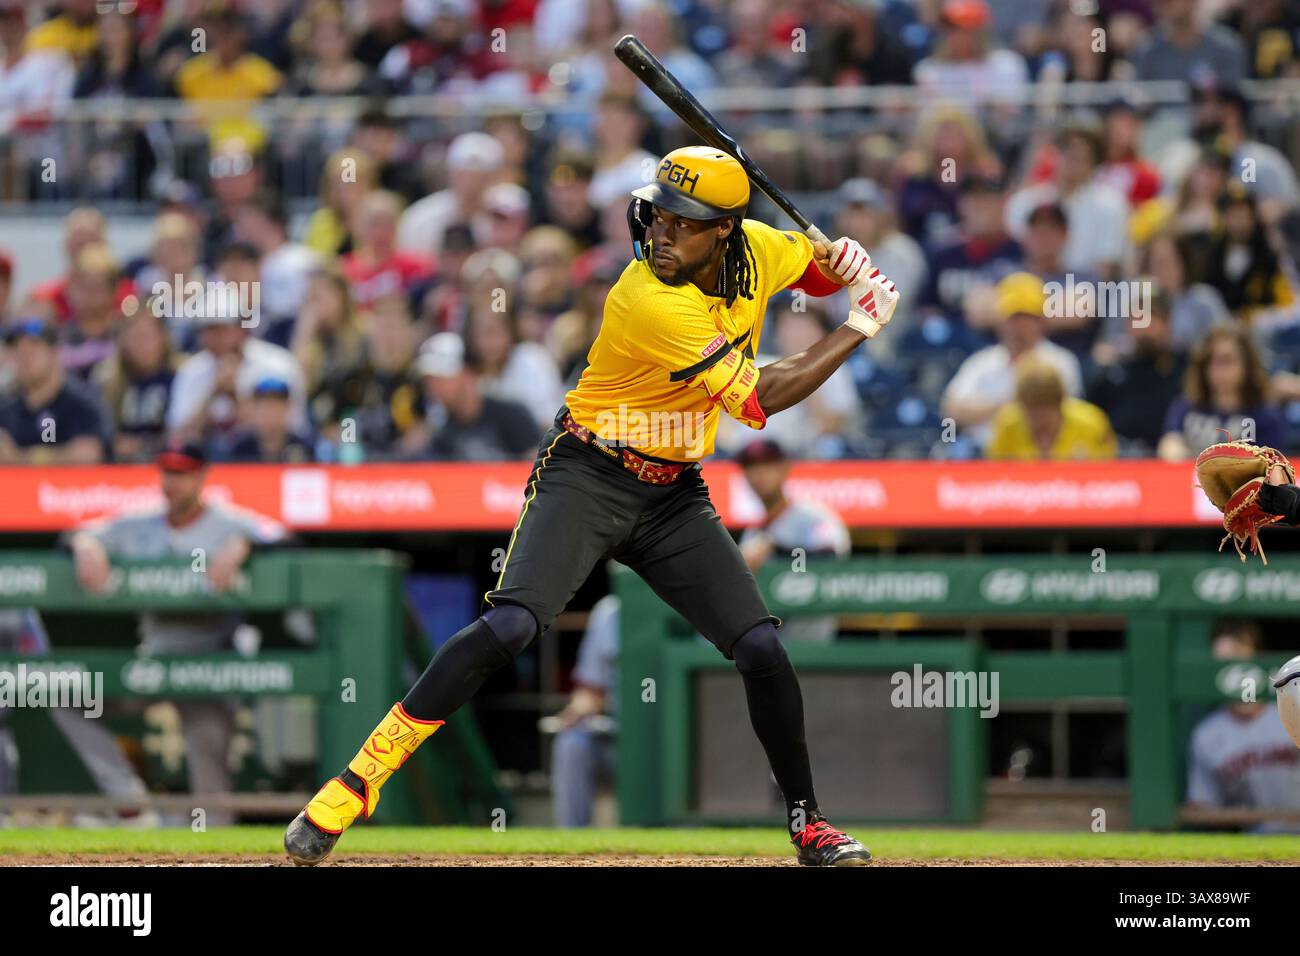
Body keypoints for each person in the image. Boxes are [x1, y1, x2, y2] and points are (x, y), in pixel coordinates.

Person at [285, 145, 900, 867]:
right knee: (511, 624)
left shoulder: (760, 247)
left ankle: (808, 825)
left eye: (686, 223)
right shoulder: (647, 296)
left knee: (762, 647)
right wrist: (860, 324)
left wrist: (845, 261)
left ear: (725, 232)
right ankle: (359, 782)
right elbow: (759, 398)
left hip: (672, 491)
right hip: (590, 470)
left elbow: (813, 265)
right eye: (660, 216)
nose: (663, 234)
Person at [68, 440, 288, 825]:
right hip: (152, 660)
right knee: (64, 695)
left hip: (207, 665)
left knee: (213, 796)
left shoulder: (228, 521)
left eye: (182, 474)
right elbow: (79, 533)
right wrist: (85, 545)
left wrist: (244, 544)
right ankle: (126, 795)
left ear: (202, 477)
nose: (173, 482)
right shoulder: (139, 522)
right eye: (168, 473)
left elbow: (283, 537)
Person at [941, 272, 1083, 450]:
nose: (1018, 327)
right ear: (1000, 321)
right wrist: (1010, 405)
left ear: (1041, 321)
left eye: (1026, 318)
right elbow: (952, 409)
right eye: (1012, 318)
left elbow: (1064, 413)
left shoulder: (1060, 362)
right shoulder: (982, 362)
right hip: (981, 457)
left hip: (1040, 456)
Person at [1186, 621, 1300, 834]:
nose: (1231, 667)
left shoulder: (1291, 707)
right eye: (1221, 661)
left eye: (1238, 655)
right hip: (1258, 846)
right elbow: (1201, 806)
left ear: (1257, 657)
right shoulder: (1207, 735)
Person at [736, 439, 850, 642]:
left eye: (767, 465)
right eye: (751, 467)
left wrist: (776, 550)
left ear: (785, 468)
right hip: (768, 646)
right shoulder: (752, 533)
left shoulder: (813, 517)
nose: (759, 474)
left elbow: (831, 559)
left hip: (810, 643)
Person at [1158, 323, 1285, 460]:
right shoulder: (1186, 406)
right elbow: (1169, 444)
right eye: (1210, 361)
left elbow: (1271, 463)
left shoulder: (1265, 416)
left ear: (1247, 365)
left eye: (1227, 360)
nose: (1218, 369)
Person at [416, 331, 540, 461]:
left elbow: (542, 469)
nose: (433, 387)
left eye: (441, 378)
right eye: (428, 380)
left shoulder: (513, 416)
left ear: (469, 374)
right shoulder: (440, 434)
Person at [0, 318, 108, 464]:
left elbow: (88, 454)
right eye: (18, 350)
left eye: (33, 348)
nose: (24, 357)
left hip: (71, 486)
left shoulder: (83, 403)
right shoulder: (7, 410)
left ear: (55, 352)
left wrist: (19, 458)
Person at [986, 357, 1118, 461]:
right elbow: (996, 473)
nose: (1039, 420)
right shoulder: (1007, 424)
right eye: (1031, 411)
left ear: (1059, 404)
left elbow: (1108, 472)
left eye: (1044, 412)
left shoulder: (1090, 423)